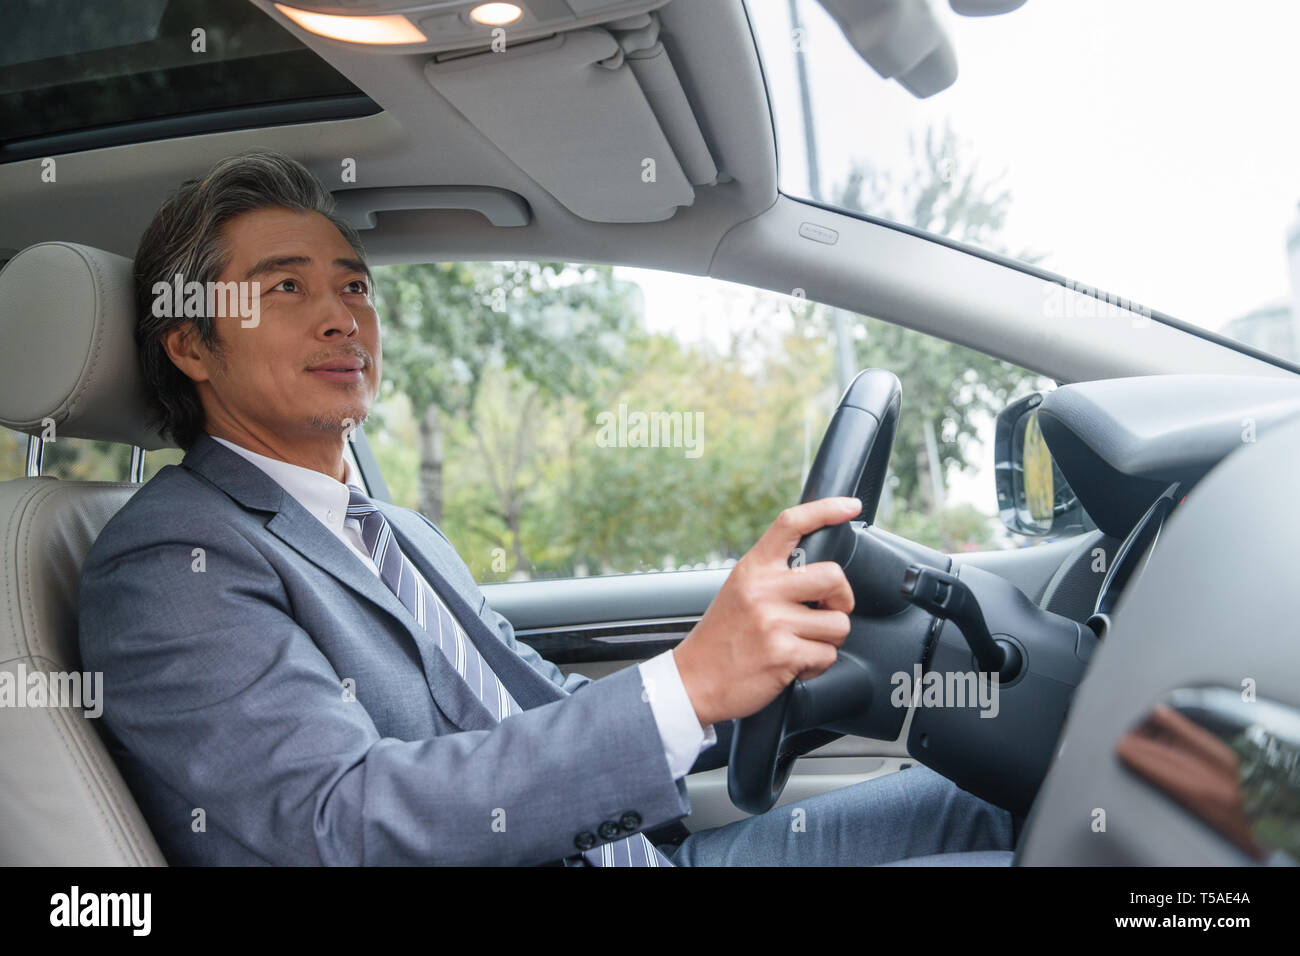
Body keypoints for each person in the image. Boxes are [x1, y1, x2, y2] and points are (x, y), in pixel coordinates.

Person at [77, 149, 1015, 866]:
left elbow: (545, 704)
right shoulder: (170, 558)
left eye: (354, 286)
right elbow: (339, 822)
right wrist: (687, 683)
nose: (343, 318)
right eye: (285, 287)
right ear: (191, 345)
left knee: (1001, 797)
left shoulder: (392, 531)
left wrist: (756, 678)